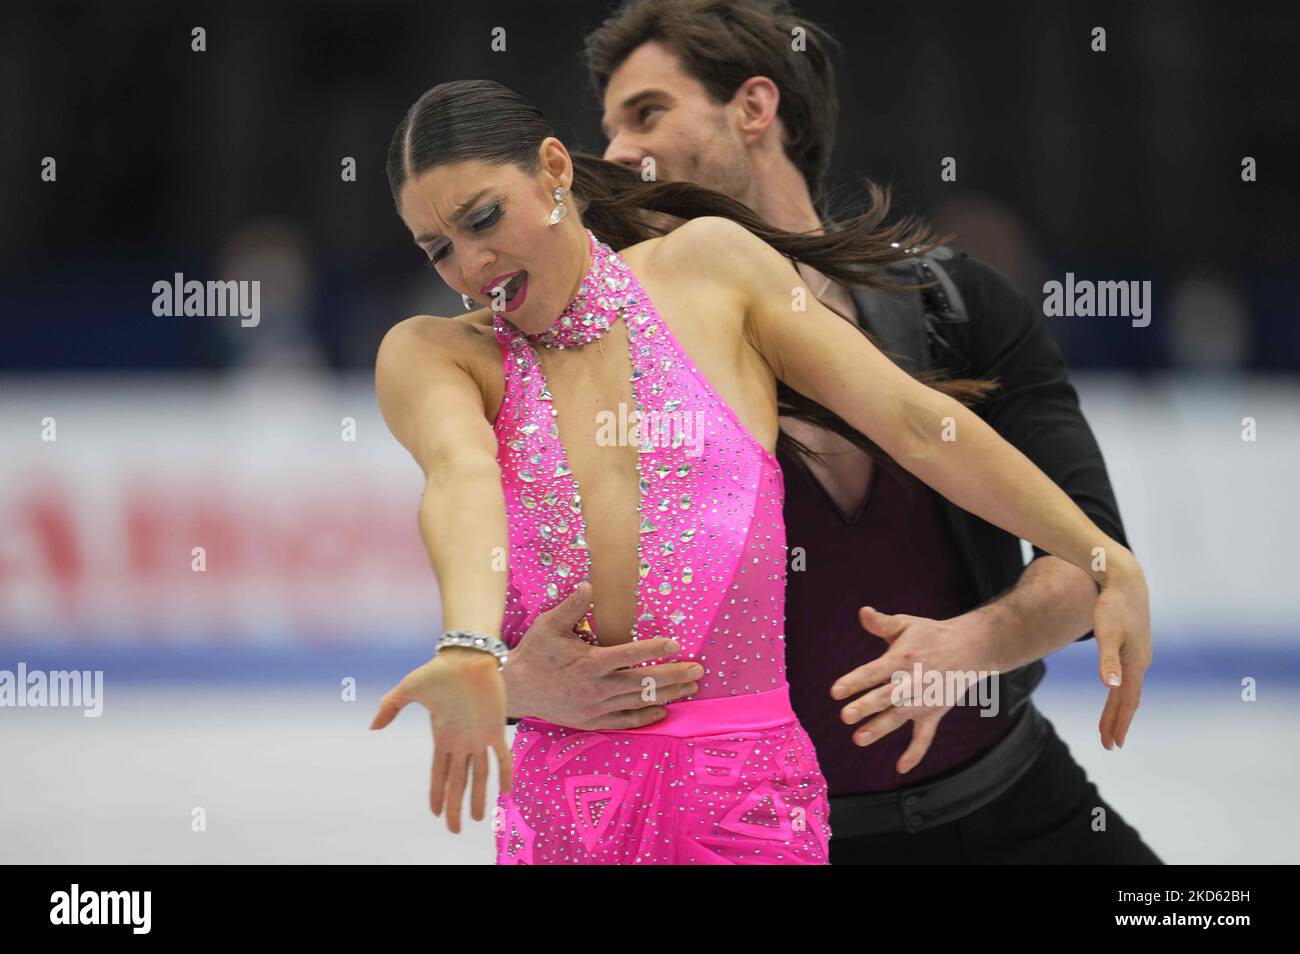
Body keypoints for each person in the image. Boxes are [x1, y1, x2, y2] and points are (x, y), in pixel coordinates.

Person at [368, 77, 1152, 866]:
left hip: (750, 816)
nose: (471, 264)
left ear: (553, 170)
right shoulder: (436, 354)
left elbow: (919, 426)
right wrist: (472, 646)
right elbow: (460, 481)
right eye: (437, 249)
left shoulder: (714, 272)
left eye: (483, 218)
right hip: (570, 821)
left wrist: (1098, 553)